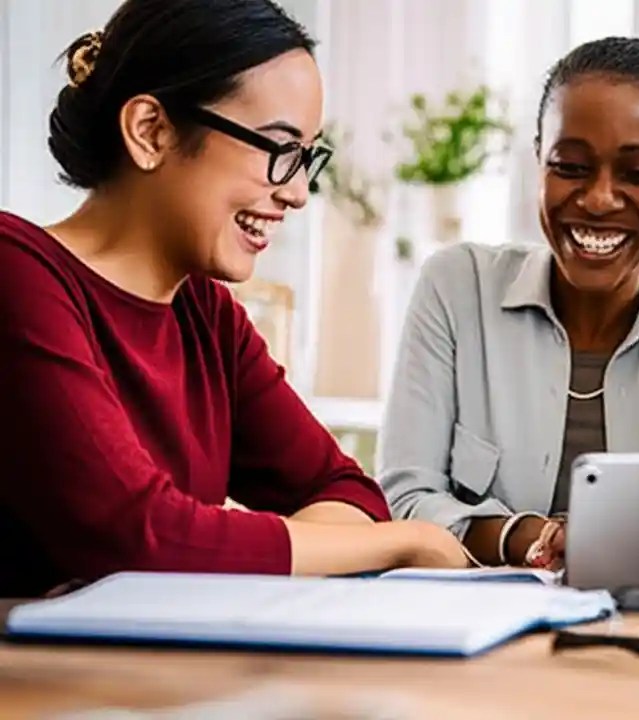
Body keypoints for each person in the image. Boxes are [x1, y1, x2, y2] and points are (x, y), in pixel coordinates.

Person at [0, 0, 467, 598]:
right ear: (151, 131)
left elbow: (347, 492)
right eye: (278, 148)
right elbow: (137, 537)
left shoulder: (207, 313)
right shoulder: (17, 274)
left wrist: (205, 549)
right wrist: (406, 541)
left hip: (154, 678)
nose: (297, 192)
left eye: (306, 158)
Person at [378, 37, 639, 571]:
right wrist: (525, 535)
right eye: (570, 166)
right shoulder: (457, 287)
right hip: (473, 633)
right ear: (539, 164)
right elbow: (403, 501)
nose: (597, 199)